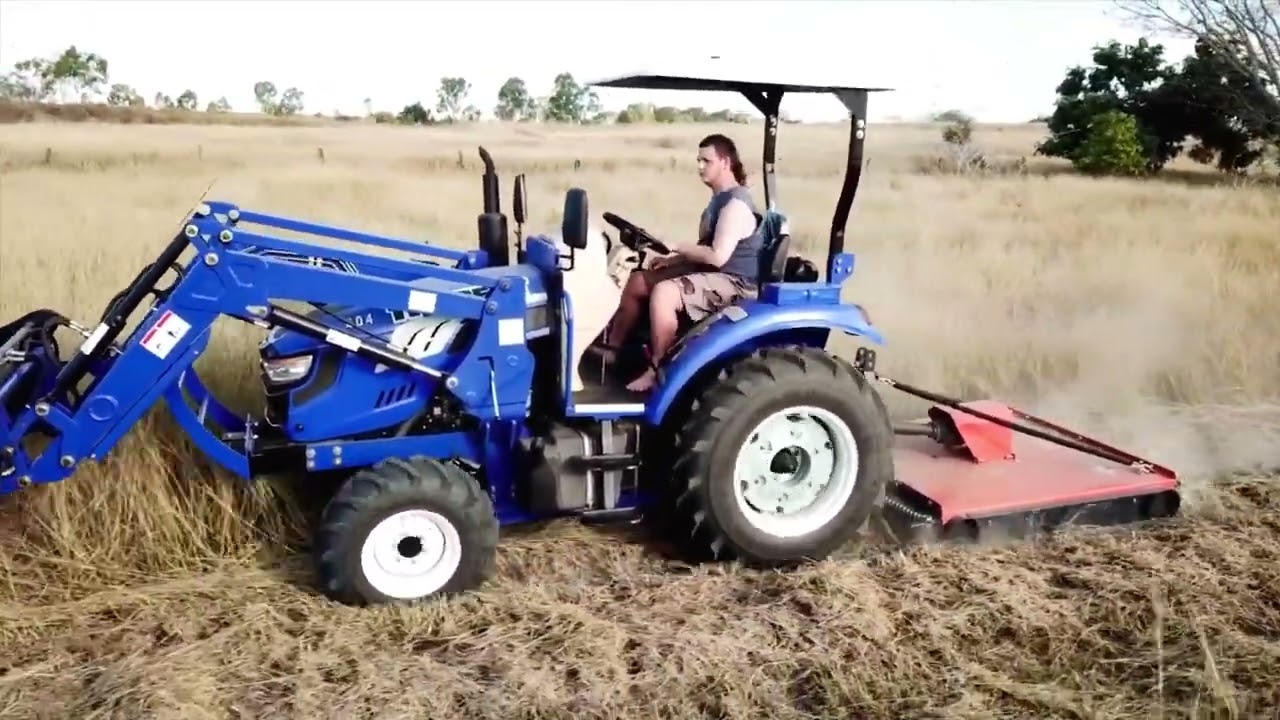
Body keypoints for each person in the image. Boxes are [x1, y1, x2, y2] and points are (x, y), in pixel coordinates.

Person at [592, 133, 764, 393]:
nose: (700, 166)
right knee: (638, 281)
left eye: (706, 161)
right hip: (712, 273)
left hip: (735, 282)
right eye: (698, 160)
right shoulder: (718, 201)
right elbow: (706, 248)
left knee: (664, 293)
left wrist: (678, 246)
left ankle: (658, 369)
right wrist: (674, 259)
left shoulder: (736, 205)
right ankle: (613, 350)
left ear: (725, 162)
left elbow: (718, 256)